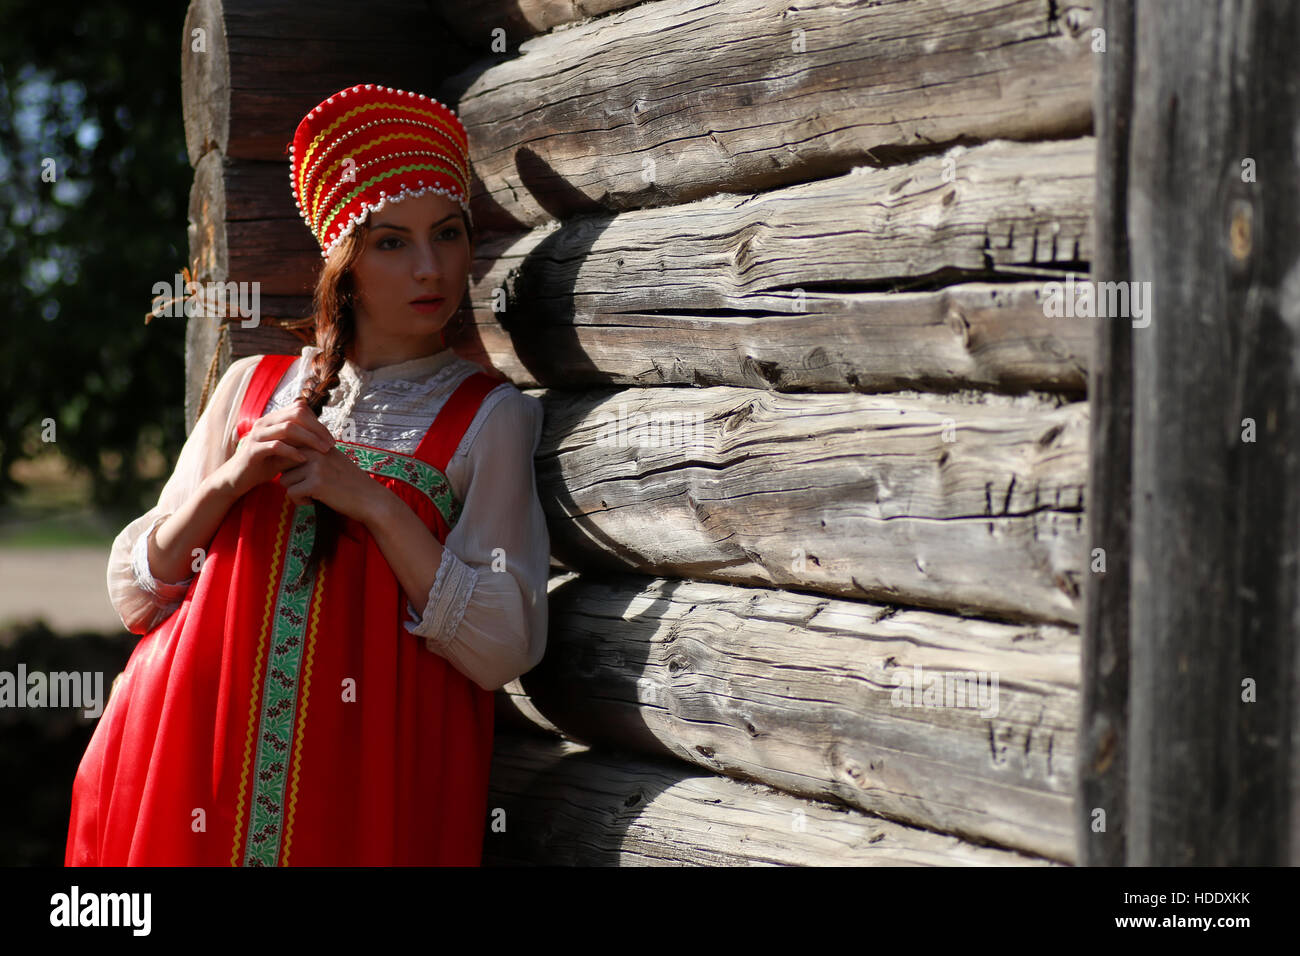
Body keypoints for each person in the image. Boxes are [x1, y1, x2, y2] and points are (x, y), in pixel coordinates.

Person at [65, 84, 550, 866]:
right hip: (191, 763)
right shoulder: (250, 386)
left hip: (368, 790)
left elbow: (503, 643)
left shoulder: (490, 416)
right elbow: (138, 591)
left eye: (448, 235)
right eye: (392, 242)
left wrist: (374, 507)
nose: (430, 268)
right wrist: (230, 481)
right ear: (343, 261)